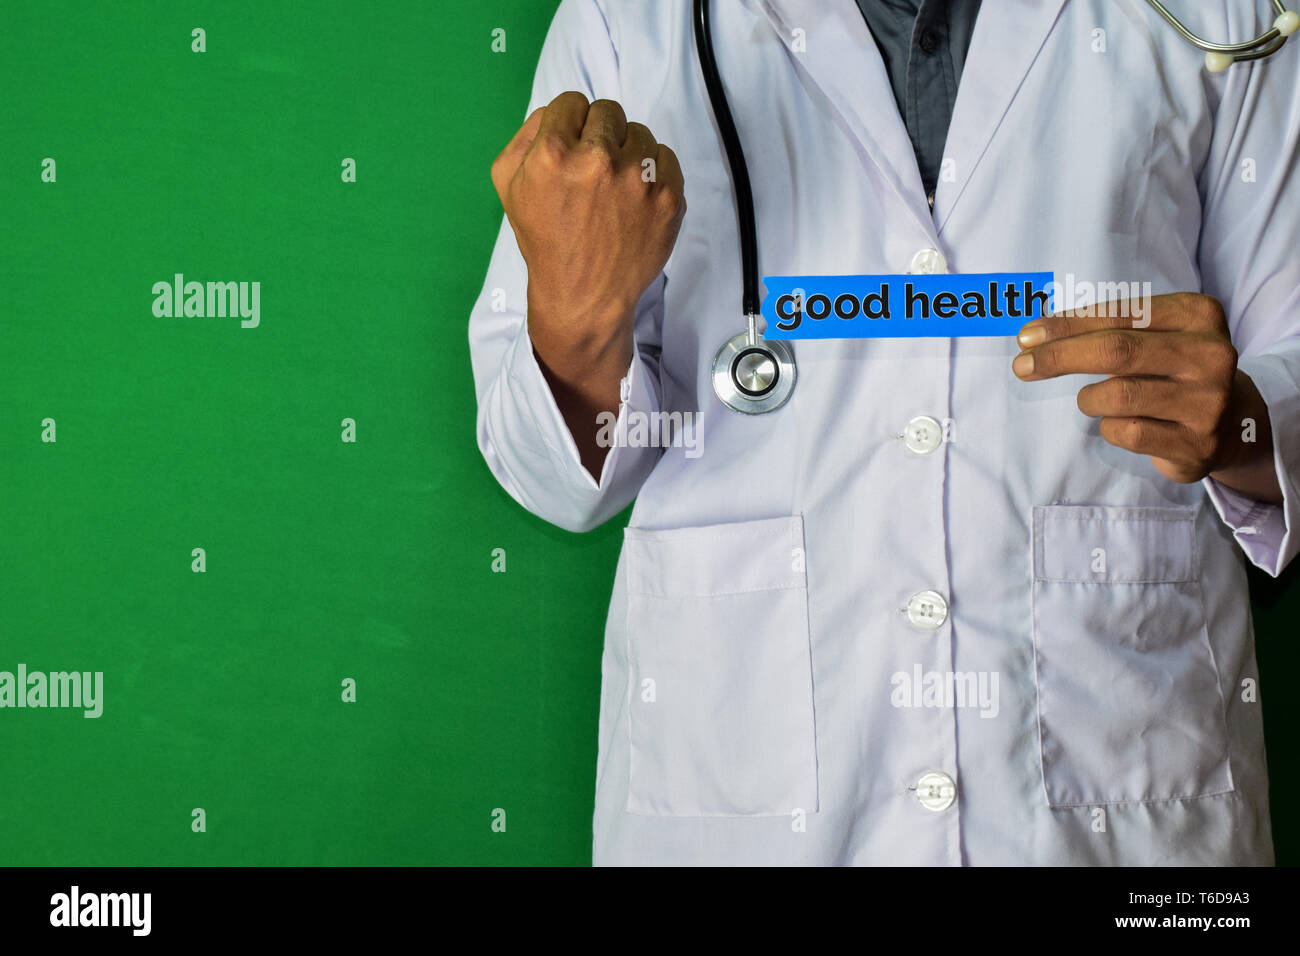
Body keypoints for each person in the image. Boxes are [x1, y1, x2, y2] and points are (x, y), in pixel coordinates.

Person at [467, 0, 1300, 865]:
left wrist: (1240, 425)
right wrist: (573, 333)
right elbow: (545, 469)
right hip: (747, 806)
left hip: (1125, 812)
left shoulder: (1221, 12)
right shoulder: (628, 20)